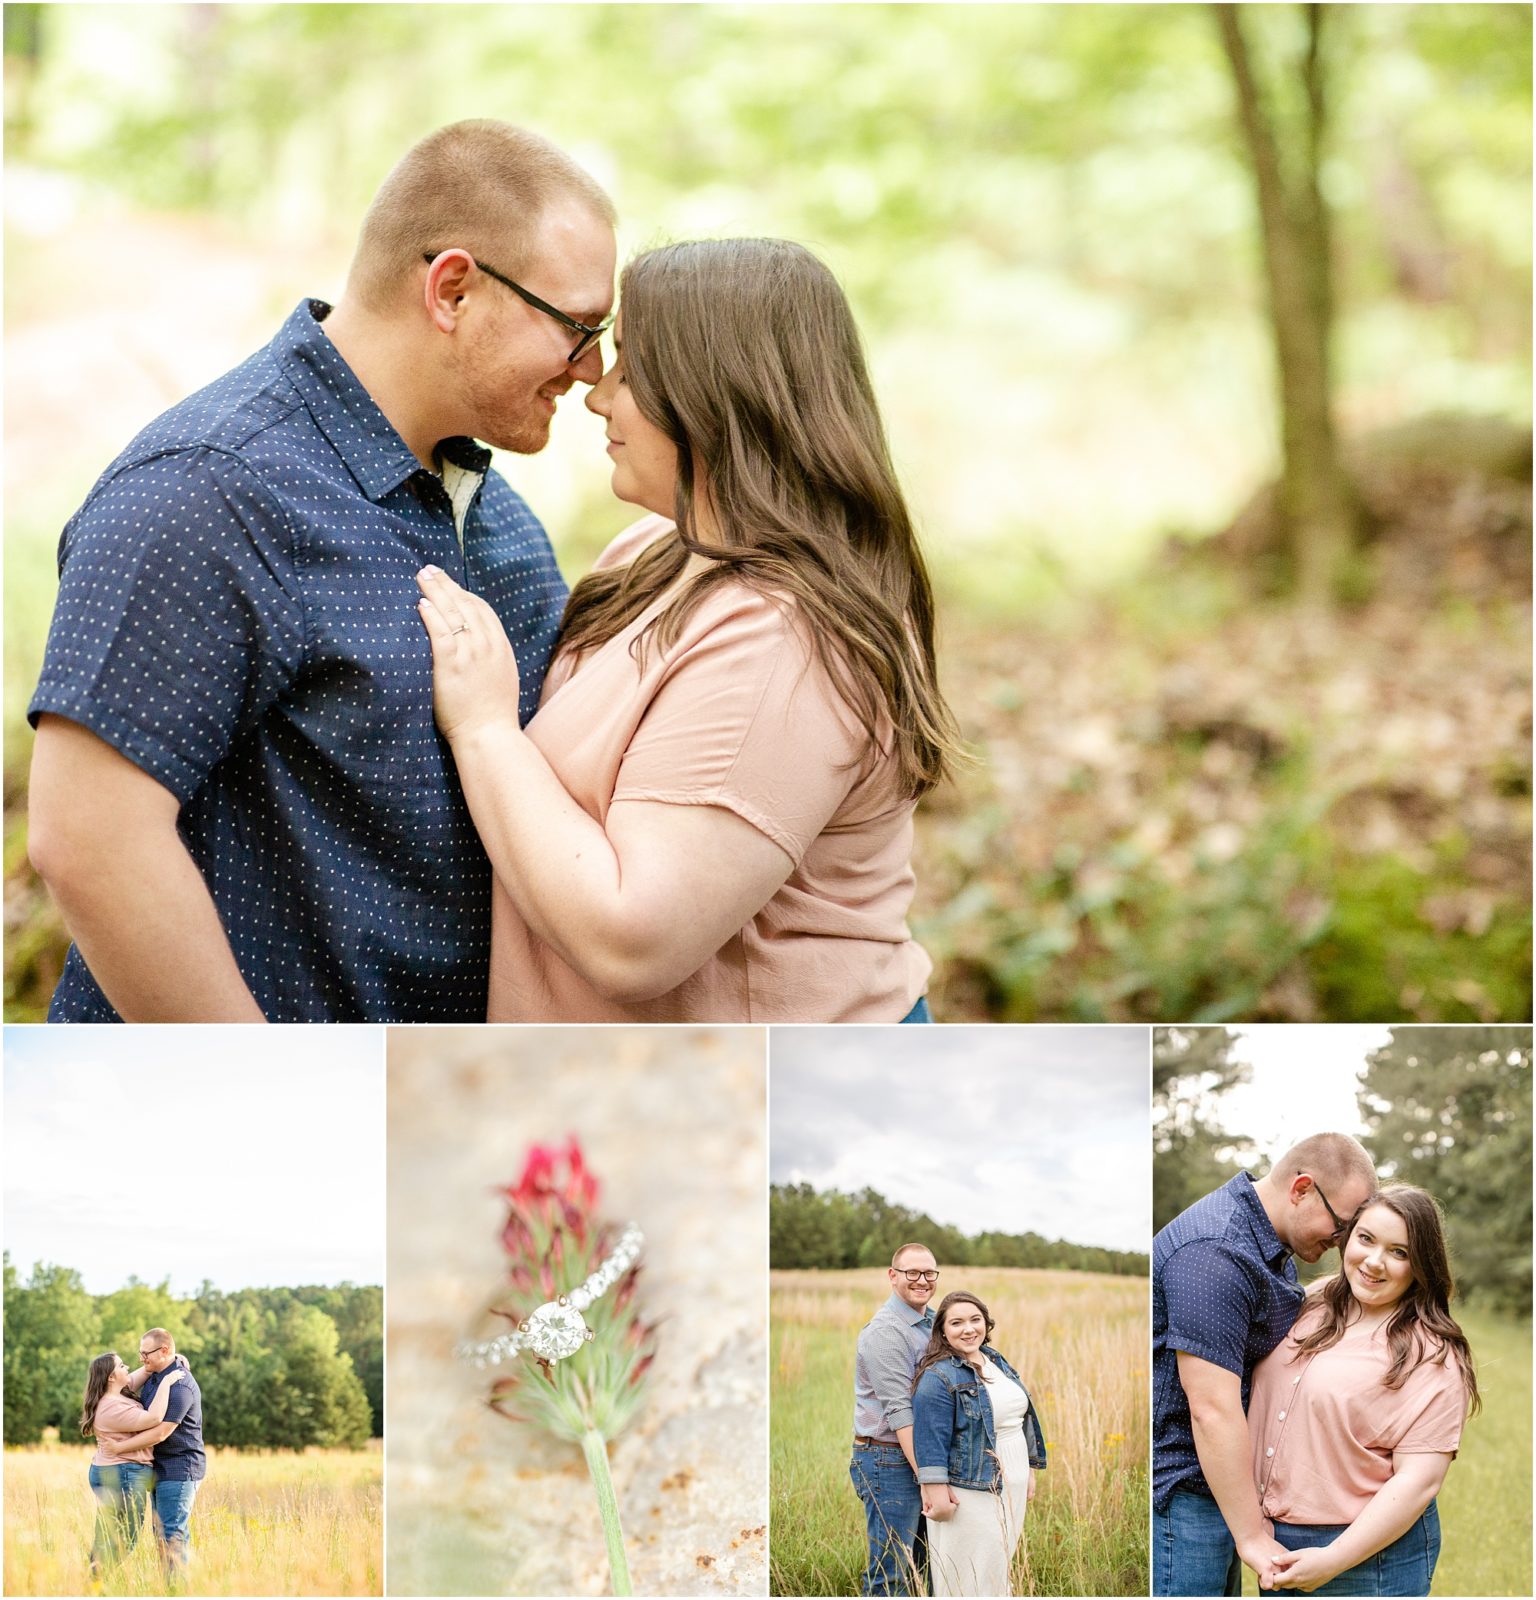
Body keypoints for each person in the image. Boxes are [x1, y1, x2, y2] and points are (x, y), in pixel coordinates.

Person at [27, 119, 616, 1022]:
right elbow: (88, 839)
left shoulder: (504, 527)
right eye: (578, 327)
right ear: (453, 289)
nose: (594, 370)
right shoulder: (207, 490)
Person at [414, 236, 961, 1022]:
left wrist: (485, 730)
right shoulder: (653, 553)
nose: (597, 395)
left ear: (719, 395)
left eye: (632, 369)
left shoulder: (783, 640)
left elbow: (630, 942)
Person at [1152, 1133, 1379, 1596]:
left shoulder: (1272, 1241)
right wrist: (1251, 1534)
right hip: (1187, 1494)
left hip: (1224, 1487)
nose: (1340, 1244)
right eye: (1340, 1228)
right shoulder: (1215, 1253)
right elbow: (1211, 1408)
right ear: (1301, 1189)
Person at [1250, 1185, 1478, 1597]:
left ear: (1421, 1264)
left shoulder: (1432, 1357)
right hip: (1277, 1542)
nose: (1373, 1262)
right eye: (1366, 1239)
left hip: (1367, 1558)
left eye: (1399, 1252)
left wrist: (1333, 1558)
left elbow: (1417, 1483)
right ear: (1347, 1236)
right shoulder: (1314, 1302)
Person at [911, 1291, 1047, 1597]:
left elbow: (1019, 1417)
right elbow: (930, 1439)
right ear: (942, 1331)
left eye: (975, 1319)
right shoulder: (938, 1376)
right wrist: (935, 1491)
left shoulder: (995, 1359)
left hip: (1012, 1477)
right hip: (971, 1486)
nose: (969, 1328)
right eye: (957, 1322)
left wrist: (1029, 1469)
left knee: (998, 1564)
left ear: (986, 1322)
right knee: (969, 1572)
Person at [851, 1244, 940, 1595]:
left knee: (926, 1567)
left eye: (929, 1273)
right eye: (912, 1273)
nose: (922, 1280)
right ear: (893, 1276)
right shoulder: (886, 1332)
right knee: (891, 1571)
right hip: (888, 1460)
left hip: (917, 1454)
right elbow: (900, 1413)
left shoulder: (930, 1322)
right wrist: (928, 1476)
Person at [95, 1329, 206, 1582]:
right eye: (140, 1353)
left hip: (179, 1468)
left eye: (146, 1354)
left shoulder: (180, 1385)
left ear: (164, 1351)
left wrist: (120, 1448)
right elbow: (129, 1382)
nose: (141, 1358)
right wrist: (176, 1358)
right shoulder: (156, 1375)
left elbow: (160, 1432)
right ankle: (169, 1587)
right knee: (161, 1533)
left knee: (172, 1533)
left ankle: (176, 1590)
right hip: (159, 1468)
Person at [78, 1351, 184, 1575]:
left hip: (114, 1470)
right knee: (128, 1535)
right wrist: (167, 1381)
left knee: (106, 1533)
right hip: (122, 1474)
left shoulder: (118, 1393)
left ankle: (91, 1583)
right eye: (122, 1365)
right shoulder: (110, 1407)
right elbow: (154, 1418)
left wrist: (171, 1358)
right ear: (110, 1377)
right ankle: (96, 1577)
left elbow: (143, 1372)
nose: (127, 1367)